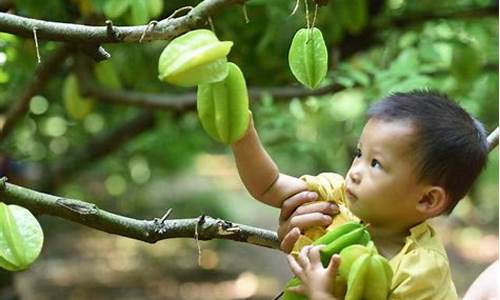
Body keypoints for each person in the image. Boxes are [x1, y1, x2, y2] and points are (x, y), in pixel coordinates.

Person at [230, 90, 489, 300]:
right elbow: (270, 185)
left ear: (427, 200)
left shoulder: (421, 272)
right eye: (358, 154)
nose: (354, 172)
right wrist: (242, 135)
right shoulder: (336, 199)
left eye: (375, 163)